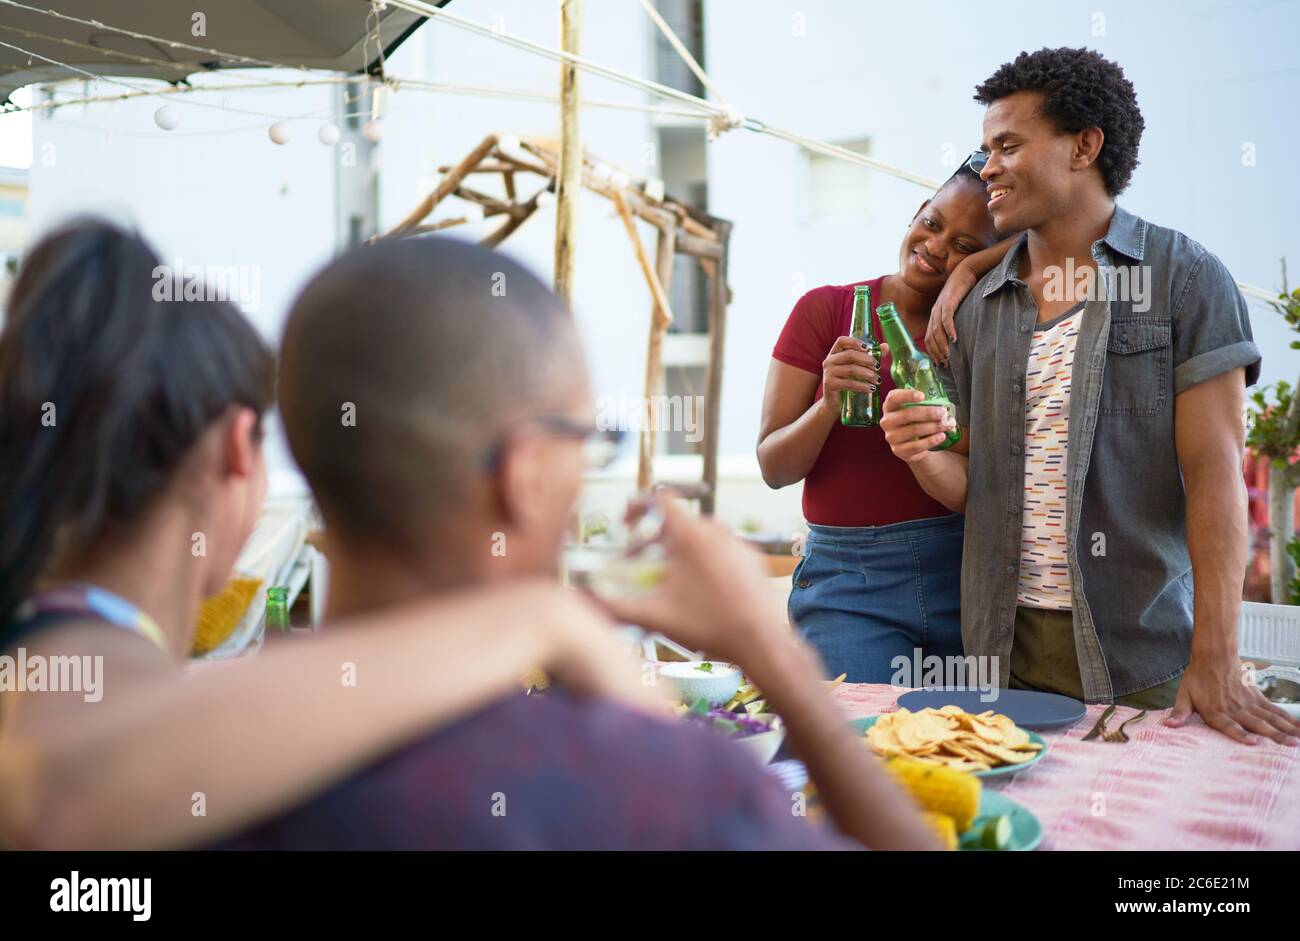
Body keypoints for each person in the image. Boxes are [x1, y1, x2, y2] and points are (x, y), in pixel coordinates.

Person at [221, 234, 940, 849]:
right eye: (590, 439)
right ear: (527, 472)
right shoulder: (660, 784)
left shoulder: (175, 761)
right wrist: (772, 658)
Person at [0, 218, 668, 850]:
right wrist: (536, 619)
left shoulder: (82, 655)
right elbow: (56, 794)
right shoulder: (70, 689)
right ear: (240, 446)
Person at [880, 47, 1300, 746]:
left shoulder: (1184, 280)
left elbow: (1215, 476)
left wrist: (1218, 656)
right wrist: (921, 451)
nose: (988, 167)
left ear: (1084, 146)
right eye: (986, 149)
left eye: (1007, 145)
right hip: (999, 660)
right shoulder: (978, 305)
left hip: (1142, 659)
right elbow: (972, 488)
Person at [758, 162, 1013, 683]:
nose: (937, 248)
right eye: (934, 223)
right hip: (848, 586)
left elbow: (1058, 245)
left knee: (958, 745)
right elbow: (774, 466)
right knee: (857, 746)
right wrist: (828, 403)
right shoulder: (826, 311)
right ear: (917, 213)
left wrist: (969, 274)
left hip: (963, 576)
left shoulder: (988, 332)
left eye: (967, 246)